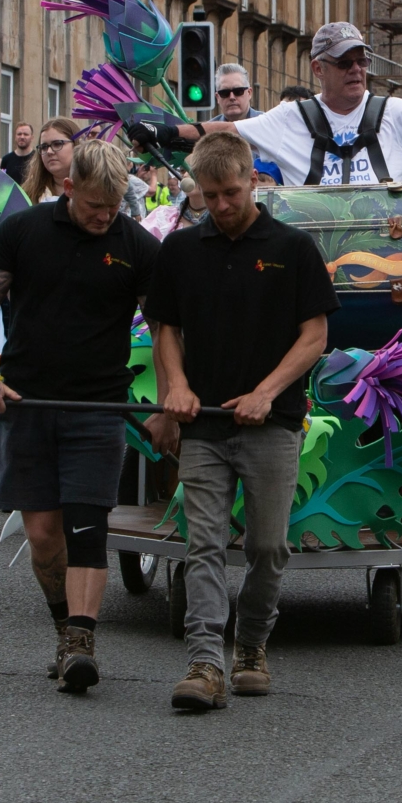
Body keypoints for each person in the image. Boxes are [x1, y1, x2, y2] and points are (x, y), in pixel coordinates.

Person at [145, 132, 337, 712]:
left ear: (253, 180)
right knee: (201, 544)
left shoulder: (294, 248)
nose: (222, 206)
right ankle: (204, 663)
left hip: (273, 424)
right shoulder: (179, 251)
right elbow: (165, 330)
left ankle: (251, 644)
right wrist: (173, 389)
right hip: (203, 425)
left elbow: (316, 336)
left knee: (268, 547)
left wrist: (266, 392)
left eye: (231, 192)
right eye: (210, 196)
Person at [0, 139, 158, 694]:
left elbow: (167, 327)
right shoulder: (23, 231)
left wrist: (167, 402)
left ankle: (81, 641)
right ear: (69, 187)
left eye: (115, 204)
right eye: (95, 204)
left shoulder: (138, 246)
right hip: (28, 404)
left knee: (86, 528)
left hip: (99, 407)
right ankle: (62, 625)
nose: (105, 216)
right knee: (44, 534)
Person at [150, 22, 402, 187]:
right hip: (313, 264)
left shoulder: (394, 113)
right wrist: (164, 132)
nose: (356, 70)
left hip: (389, 260)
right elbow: (221, 132)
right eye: (344, 63)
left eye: (361, 61)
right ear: (318, 69)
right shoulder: (289, 118)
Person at [20, 117, 81, 204]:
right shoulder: (27, 194)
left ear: (76, 145)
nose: (49, 151)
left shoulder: (95, 188)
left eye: (57, 144)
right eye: (44, 147)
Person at [142, 176, 208, 240]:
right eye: (183, 171)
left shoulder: (217, 220)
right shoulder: (163, 216)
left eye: (194, 170)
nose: (185, 175)